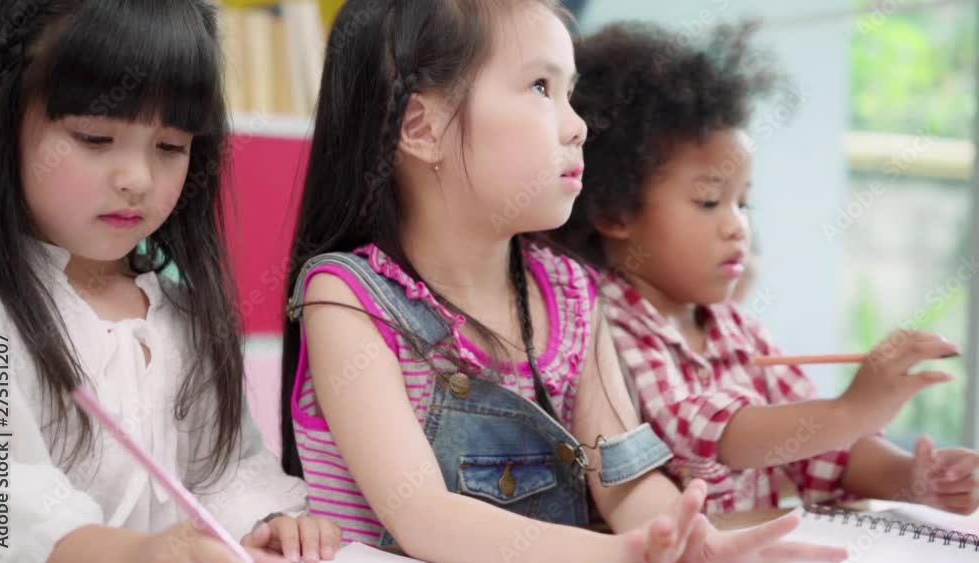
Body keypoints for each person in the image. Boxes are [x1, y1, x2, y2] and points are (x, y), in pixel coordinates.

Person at [278, 2, 850, 562]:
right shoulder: (347, 299)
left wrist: (685, 541)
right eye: (539, 88)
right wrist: (619, 553)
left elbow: (626, 481)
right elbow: (424, 518)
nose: (576, 126)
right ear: (422, 128)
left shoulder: (573, 293)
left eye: (569, 93)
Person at [551, 20, 979, 516]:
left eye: (744, 203)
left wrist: (912, 477)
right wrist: (850, 409)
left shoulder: (736, 330)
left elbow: (822, 451)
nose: (738, 228)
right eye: (710, 201)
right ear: (614, 212)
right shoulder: (605, 324)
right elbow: (708, 433)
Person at [0, 2, 341, 561]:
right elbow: (2, 502)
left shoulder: (180, 314)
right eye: (95, 137)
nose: (138, 179)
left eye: (171, 147)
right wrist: (134, 553)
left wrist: (270, 521)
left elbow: (227, 472)